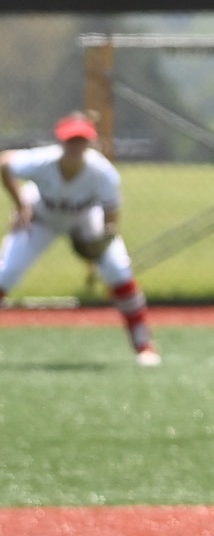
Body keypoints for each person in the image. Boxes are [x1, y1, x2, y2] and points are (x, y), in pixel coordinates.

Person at [0, 113, 159, 366]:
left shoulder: (102, 172)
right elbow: (5, 163)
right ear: (61, 141)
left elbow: (111, 215)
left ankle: (143, 343)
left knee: (118, 269)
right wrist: (21, 205)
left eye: (81, 140)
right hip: (41, 218)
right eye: (71, 140)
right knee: (6, 273)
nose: (76, 146)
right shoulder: (43, 160)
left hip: (84, 220)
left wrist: (103, 242)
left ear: (90, 143)